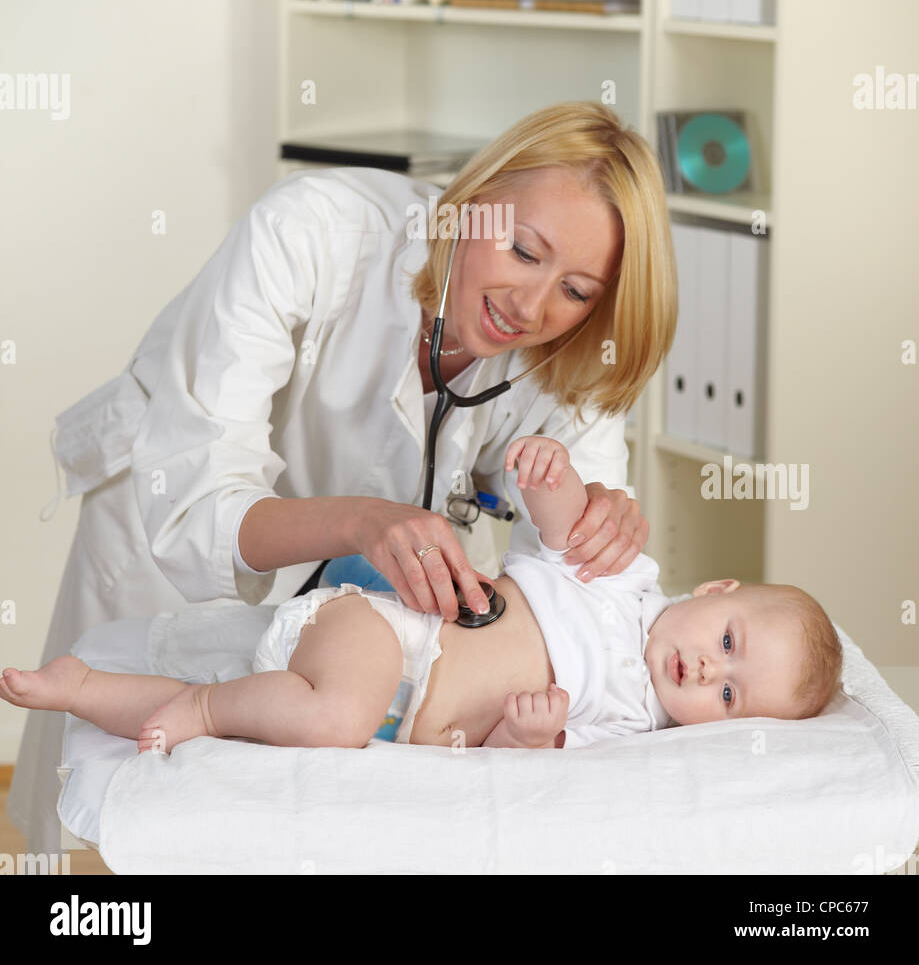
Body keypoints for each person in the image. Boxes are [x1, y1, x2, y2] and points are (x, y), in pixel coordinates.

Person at [10, 101, 679, 848]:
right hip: (172, 507)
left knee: (283, 819)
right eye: (522, 251)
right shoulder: (315, 230)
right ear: (474, 197)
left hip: (366, 609)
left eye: (578, 290)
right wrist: (362, 520)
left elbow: (571, 562)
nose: (531, 307)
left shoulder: (577, 354)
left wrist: (598, 518)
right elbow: (201, 508)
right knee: (110, 793)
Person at [1, 435, 843, 750]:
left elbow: (536, 766)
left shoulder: (632, 728)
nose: (704, 671)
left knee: (305, 719)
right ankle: (204, 712)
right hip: (393, 635)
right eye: (726, 642)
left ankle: (87, 690)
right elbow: (559, 524)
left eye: (730, 697)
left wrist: (527, 736)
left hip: (396, 722)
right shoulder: (623, 579)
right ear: (716, 587)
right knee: (316, 715)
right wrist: (554, 477)